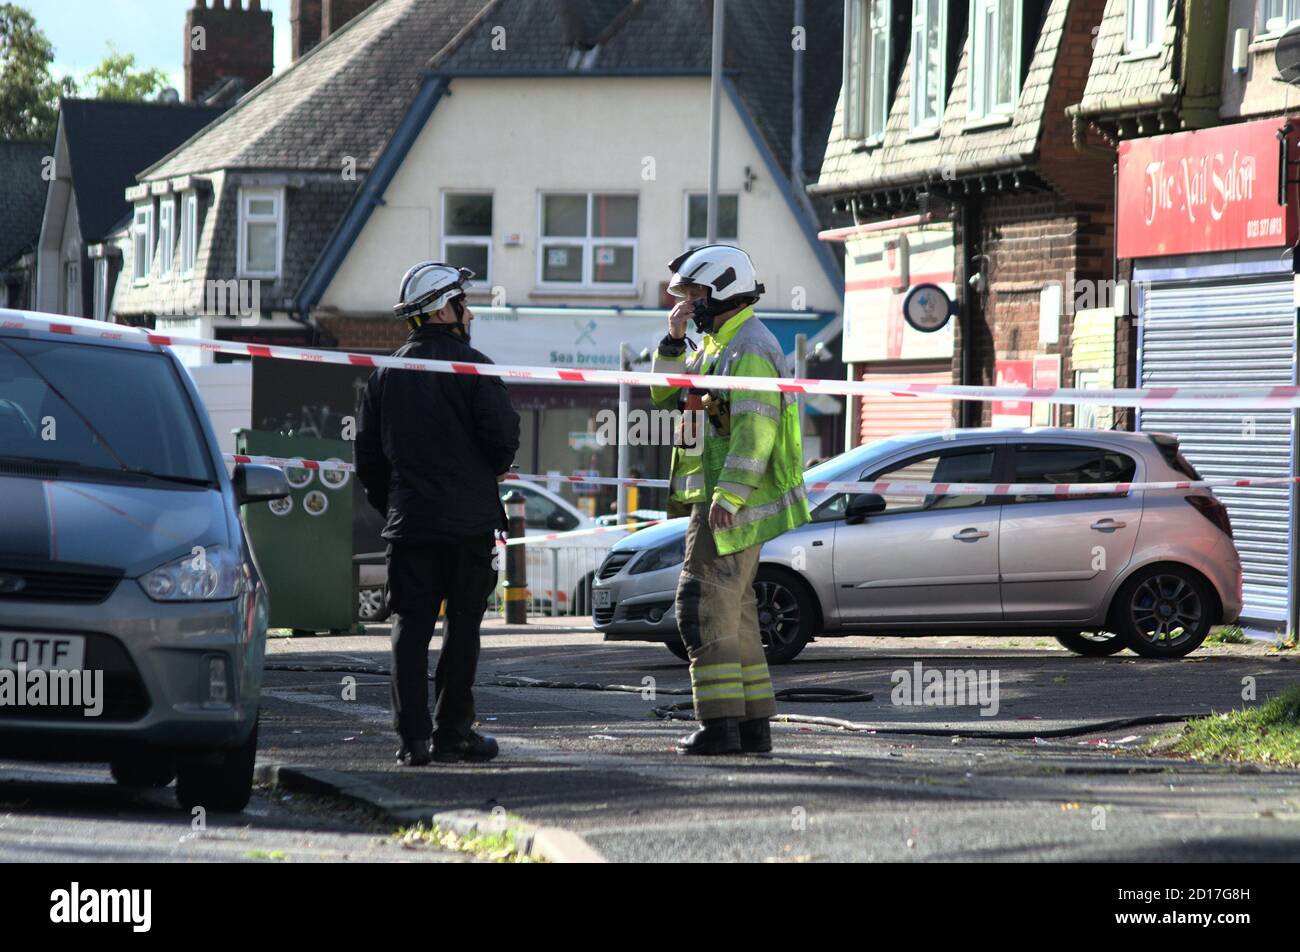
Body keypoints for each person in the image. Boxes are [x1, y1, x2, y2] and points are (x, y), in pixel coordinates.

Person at [356, 262, 520, 767]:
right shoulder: (476, 369)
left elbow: (368, 462)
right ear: (443, 308)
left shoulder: (384, 376)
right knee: (464, 626)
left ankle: (413, 741)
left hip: (410, 526)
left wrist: (398, 506)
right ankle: (454, 732)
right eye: (463, 303)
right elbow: (502, 448)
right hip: (470, 527)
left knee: (410, 626)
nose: (469, 313)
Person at [650, 245, 811, 755]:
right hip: (719, 501)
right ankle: (750, 728)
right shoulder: (719, 343)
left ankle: (718, 727)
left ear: (720, 288)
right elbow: (664, 394)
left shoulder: (750, 347)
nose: (687, 304)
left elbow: (755, 431)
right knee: (736, 612)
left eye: (694, 294)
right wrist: (673, 341)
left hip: (729, 505)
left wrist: (730, 495)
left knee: (700, 607)